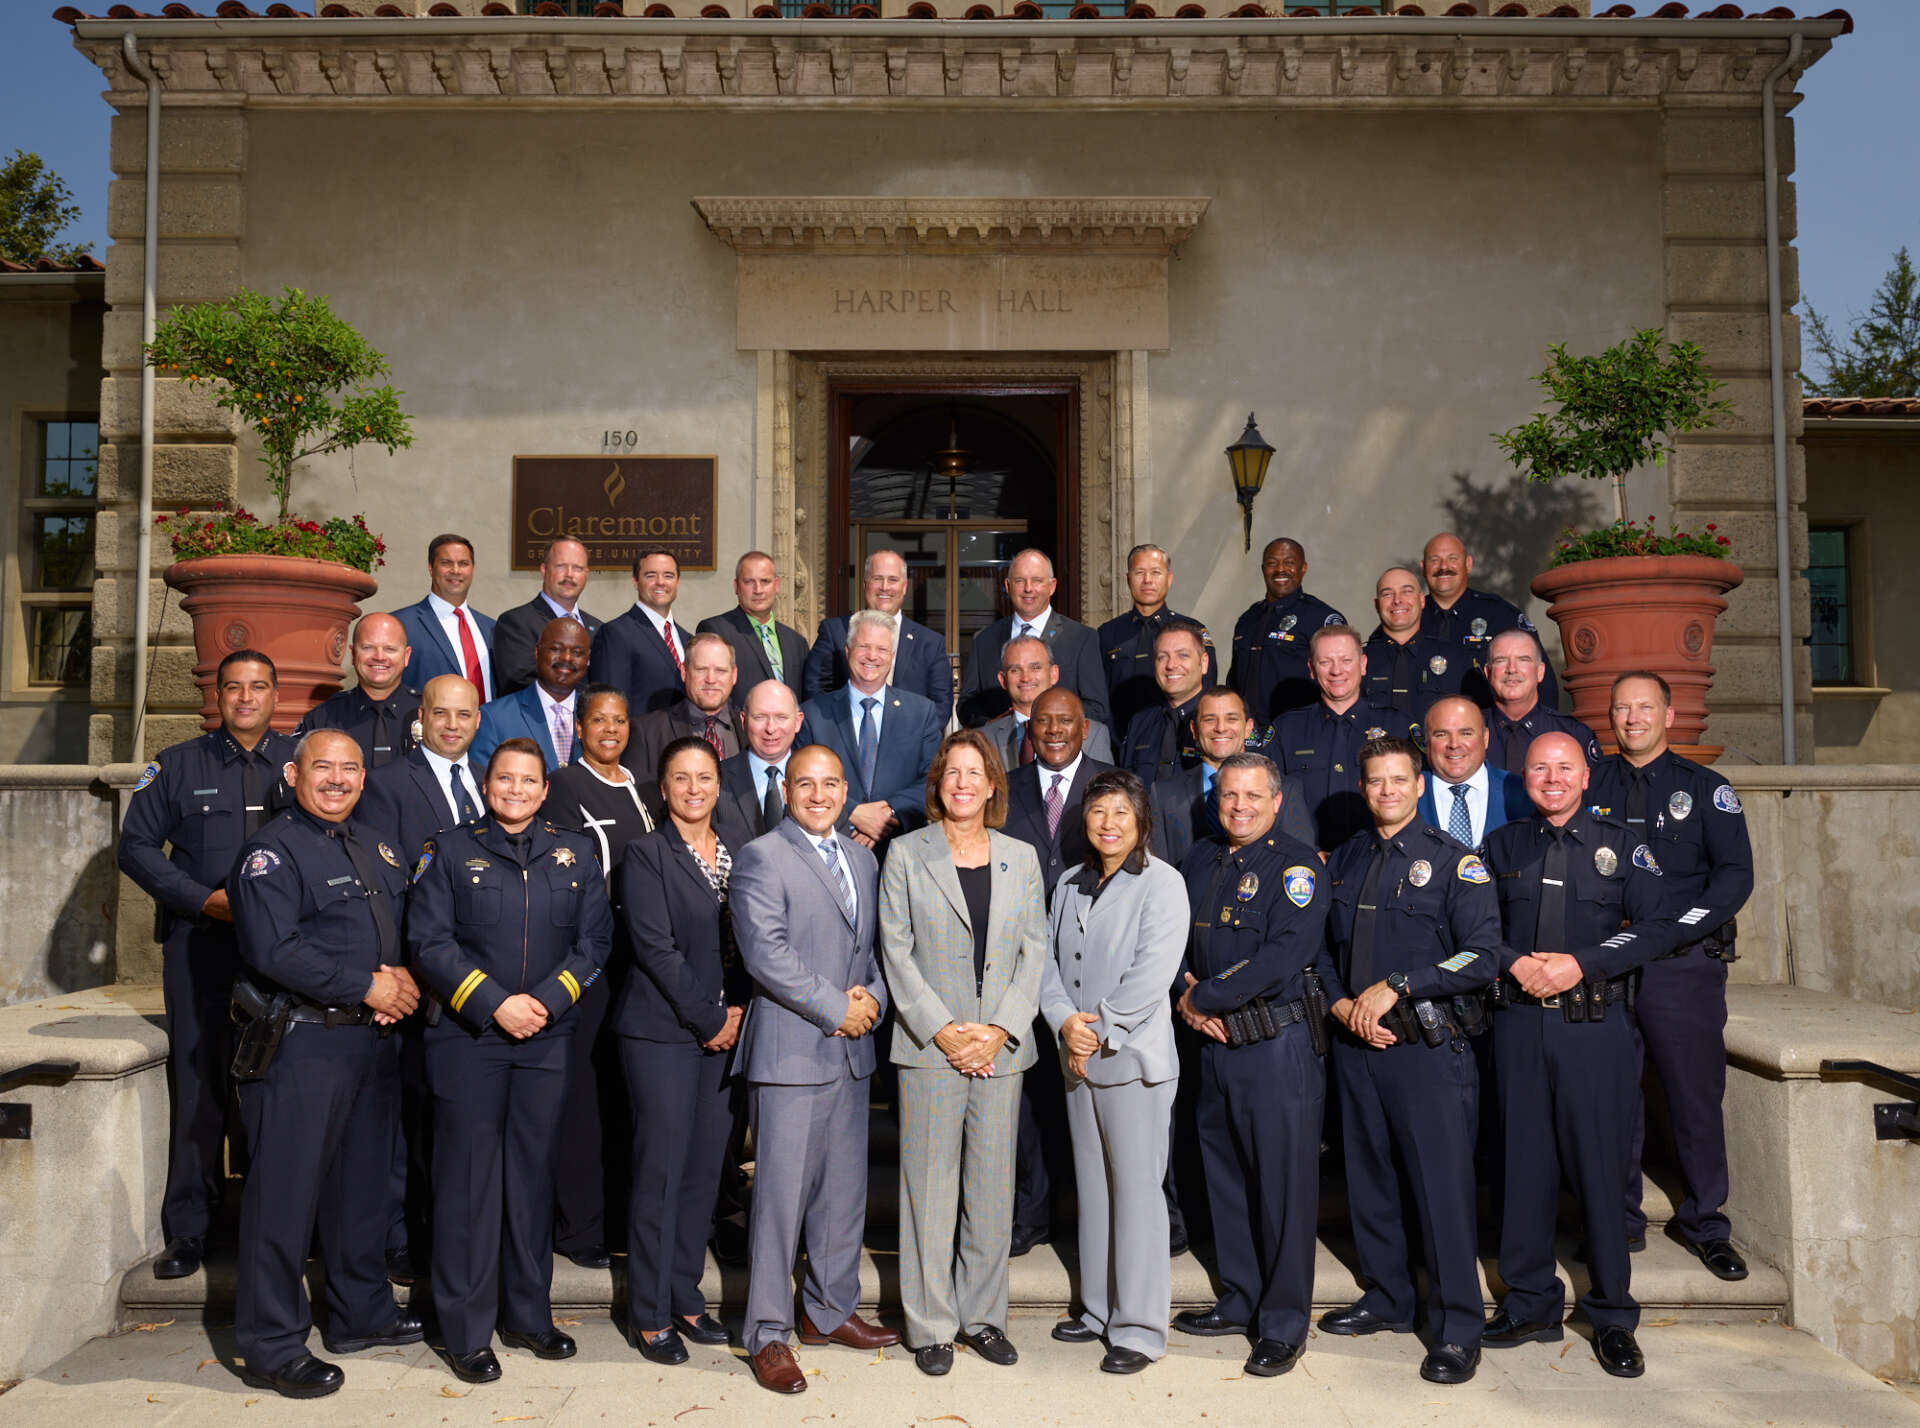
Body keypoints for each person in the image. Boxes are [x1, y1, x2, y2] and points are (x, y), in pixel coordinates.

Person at [408, 738, 614, 1384]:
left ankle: (528, 1313)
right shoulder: (448, 850)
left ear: (544, 789)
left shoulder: (576, 852)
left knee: (531, 1180)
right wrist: (495, 1004)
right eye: (505, 779)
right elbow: (429, 942)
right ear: (486, 783)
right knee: (468, 1186)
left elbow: (594, 942)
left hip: (546, 1041)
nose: (516, 790)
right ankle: (466, 1330)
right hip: (470, 1039)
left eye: (528, 781)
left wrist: (546, 1004)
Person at [1481, 732, 1687, 1379]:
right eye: (1539, 766)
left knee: (1600, 1172)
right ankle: (1532, 1303)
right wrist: (1518, 963)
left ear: (1585, 775)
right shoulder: (1501, 846)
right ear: (1525, 776)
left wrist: (1580, 965)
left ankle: (1611, 1315)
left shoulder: (1624, 848)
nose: (1551, 777)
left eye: (1563, 766)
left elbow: (1657, 928)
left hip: (1594, 1031)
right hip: (1517, 1028)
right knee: (1523, 1168)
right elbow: (1477, 930)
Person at [226, 728, 421, 1400]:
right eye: (323, 767)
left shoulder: (375, 845)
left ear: (364, 777)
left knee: (360, 1193)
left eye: (349, 768)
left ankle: (360, 1314)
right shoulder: (270, 852)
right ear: (294, 772)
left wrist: (400, 983)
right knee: (283, 1200)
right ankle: (272, 1344)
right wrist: (367, 984)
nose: (337, 779)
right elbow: (271, 948)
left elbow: (393, 931)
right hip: (301, 1046)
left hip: (370, 1043)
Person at [1320, 737, 1500, 1386]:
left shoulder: (1456, 864)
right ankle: (1388, 1298)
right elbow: (1319, 952)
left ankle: (1457, 1328)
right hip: (1356, 1047)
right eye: (1376, 781)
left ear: (1419, 786)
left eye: (1399, 779)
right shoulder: (1345, 858)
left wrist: (1402, 982)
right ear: (1364, 787)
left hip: (1426, 1053)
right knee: (1369, 1182)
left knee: (1440, 1192)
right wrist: (1340, 1004)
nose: (1387, 791)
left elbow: (1482, 956)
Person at [119, 649, 296, 1282]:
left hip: (280, 954)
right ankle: (190, 1230)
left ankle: (263, 1226)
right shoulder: (177, 765)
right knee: (198, 1088)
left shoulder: (299, 766)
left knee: (271, 1088)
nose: (246, 697)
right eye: (233, 687)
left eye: (258, 686)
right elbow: (136, 847)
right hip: (201, 946)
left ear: (276, 695)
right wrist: (201, 898)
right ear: (217, 697)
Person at [879, 729, 1049, 1377]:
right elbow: (894, 951)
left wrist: (1000, 1029)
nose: (963, 784)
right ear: (938, 783)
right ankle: (931, 1326)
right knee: (929, 1186)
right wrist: (945, 1030)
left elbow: (1035, 951)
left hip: (1001, 1049)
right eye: (953, 772)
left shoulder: (1021, 858)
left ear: (992, 785)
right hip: (930, 1047)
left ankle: (983, 1318)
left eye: (975, 773)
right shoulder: (905, 854)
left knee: (990, 1186)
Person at [730, 745, 897, 1395]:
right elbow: (764, 954)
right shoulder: (762, 856)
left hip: (852, 1054)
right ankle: (768, 1333)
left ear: (845, 789)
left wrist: (874, 1002)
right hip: (792, 1052)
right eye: (806, 783)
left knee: (841, 1196)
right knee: (779, 1202)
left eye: (830, 784)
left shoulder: (861, 857)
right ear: (787, 789)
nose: (819, 794)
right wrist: (838, 1008)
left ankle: (828, 1311)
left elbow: (874, 948)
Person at [1589, 671, 1754, 1280]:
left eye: (1644, 707)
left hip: (1679, 965)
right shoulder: (1591, 784)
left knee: (1693, 1097)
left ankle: (1706, 1223)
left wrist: (1672, 929)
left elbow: (1734, 878)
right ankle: (1619, 1221)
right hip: (1606, 967)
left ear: (1669, 712)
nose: (1632, 718)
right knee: (1613, 1100)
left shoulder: (1705, 789)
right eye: (1621, 707)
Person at [1171, 753, 1331, 1379]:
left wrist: (1200, 997)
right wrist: (1185, 994)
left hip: (1274, 1049)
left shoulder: (1296, 868)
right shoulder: (1203, 858)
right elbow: (1181, 939)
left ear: (1275, 801)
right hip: (1212, 1047)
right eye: (1228, 794)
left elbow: (1282, 956)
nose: (1238, 805)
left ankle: (1284, 1322)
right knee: (1227, 1180)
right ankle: (1239, 1298)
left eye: (1251, 796)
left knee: (1282, 1191)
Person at [1039, 768, 1188, 1375]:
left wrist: (1094, 1030)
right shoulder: (1070, 883)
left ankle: (1141, 1327)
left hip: (1131, 1061)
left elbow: (1152, 975)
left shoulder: (1163, 884)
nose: (1107, 824)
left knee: (1136, 1194)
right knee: (1094, 1191)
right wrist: (1063, 1023)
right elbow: (1045, 962)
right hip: (1077, 1058)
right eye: (1098, 813)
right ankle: (1099, 1309)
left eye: (1120, 814)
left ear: (1141, 821)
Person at [616, 737, 755, 1365]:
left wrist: (740, 1014)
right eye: (681, 778)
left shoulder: (738, 856)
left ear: (718, 786)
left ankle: (684, 1292)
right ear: (663, 788)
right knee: (661, 1169)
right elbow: (655, 947)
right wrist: (709, 1018)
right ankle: (647, 1310)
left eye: (704, 777)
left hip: (724, 1034)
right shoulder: (646, 855)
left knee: (704, 1173)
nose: (694, 788)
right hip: (662, 1033)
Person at [354, 672, 486, 1286]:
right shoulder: (385, 786)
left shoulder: (490, 783)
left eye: (464, 714)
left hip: (473, 985)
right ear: (421, 718)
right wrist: (399, 968)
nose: (452, 724)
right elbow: (380, 886)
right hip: (413, 981)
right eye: (442, 713)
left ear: (477, 720)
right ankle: (397, 1240)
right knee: (404, 1121)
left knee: (449, 1122)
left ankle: (439, 1230)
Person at [544, 685, 660, 1270]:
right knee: (585, 1095)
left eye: (619, 720)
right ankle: (579, 1223)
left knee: (623, 1094)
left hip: (638, 963)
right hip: (591, 962)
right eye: (599, 720)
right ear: (580, 728)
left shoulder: (642, 789)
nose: (610, 730)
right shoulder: (564, 787)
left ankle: (616, 1214)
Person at [1001, 685, 1113, 1257]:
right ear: (1029, 729)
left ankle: (1089, 1213)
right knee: (1028, 1096)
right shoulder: (1008, 787)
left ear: (1084, 727)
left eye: (1064, 721)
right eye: (1042, 721)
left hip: (1091, 963)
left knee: (1089, 1091)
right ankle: (1032, 1212)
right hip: (1018, 961)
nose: (1053, 730)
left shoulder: (1111, 786)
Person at [798, 611, 945, 851]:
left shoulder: (921, 712)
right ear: (847, 651)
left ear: (893, 656)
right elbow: (800, 781)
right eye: (863, 646)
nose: (872, 657)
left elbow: (933, 779)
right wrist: (853, 813)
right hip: (832, 849)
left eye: (882, 649)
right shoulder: (812, 715)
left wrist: (887, 814)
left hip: (903, 852)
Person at [1271, 626, 1420, 853]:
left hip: (1380, 860)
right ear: (1311, 668)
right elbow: (1267, 800)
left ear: (1363, 665)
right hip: (1305, 863)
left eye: (1346, 660)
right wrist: (1304, 855)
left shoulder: (1398, 726)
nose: (1336, 671)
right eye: (1325, 662)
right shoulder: (1285, 729)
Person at [1149, 686, 1315, 864]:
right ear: (1194, 730)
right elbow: (1159, 873)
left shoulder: (1286, 790)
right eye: (1209, 720)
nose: (1220, 728)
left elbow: (1301, 864)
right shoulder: (1163, 794)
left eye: (1231, 719)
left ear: (1248, 728)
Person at [958, 549, 1110, 728]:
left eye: (1037, 580)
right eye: (1020, 581)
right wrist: (993, 726)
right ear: (1007, 586)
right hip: (1000, 750)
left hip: (1062, 748)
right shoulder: (984, 639)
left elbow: (1098, 708)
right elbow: (967, 705)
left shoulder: (1082, 638)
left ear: (1052, 586)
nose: (1028, 588)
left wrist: (1050, 722)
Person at [804, 548, 954, 724]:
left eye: (893, 580)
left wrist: (913, 742)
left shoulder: (931, 643)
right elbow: (814, 691)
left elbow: (941, 706)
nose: (884, 587)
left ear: (904, 587)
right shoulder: (834, 631)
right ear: (866, 584)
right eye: (877, 578)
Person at [1419, 532, 1559, 707]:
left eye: (1452, 558)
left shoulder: (1499, 615)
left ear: (1468, 564)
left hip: (1488, 731)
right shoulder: (1410, 620)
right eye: (1435, 560)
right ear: (1423, 567)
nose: (1444, 566)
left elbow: (1542, 683)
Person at [1097, 543, 1216, 743]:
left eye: (1155, 573)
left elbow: (1207, 690)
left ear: (1169, 579)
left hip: (1178, 741)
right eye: (1139, 573)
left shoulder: (1192, 630)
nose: (1147, 580)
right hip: (1118, 744)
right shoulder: (1107, 633)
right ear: (1127, 579)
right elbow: (1099, 697)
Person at [1226, 537, 1346, 725]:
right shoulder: (1248, 619)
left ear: (1303, 568)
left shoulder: (1320, 618)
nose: (1280, 569)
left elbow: (1341, 680)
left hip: (1297, 730)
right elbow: (1234, 680)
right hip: (1248, 732)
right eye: (1272, 563)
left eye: (1289, 563)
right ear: (1263, 569)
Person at [296, 612, 419, 768]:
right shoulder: (323, 718)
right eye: (368, 648)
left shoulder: (428, 714)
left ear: (406, 656)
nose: (379, 657)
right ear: (353, 654)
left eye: (390, 649)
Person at [470, 618, 592, 774]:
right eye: (556, 649)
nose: (566, 658)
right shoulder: (494, 718)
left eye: (577, 652)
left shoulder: (599, 717)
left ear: (587, 660)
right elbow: (483, 784)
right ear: (537, 652)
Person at [1415, 695, 1533, 852]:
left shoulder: (1523, 792)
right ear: (1426, 742)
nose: (1454, 744)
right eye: (1441, 734)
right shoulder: (1404, 794)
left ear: (1485, 738)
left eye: (1465, 733)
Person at [981, 634, 1114, 771]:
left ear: (1053, 674)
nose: (1026, 678)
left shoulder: (1093, 733)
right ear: (1003, 680)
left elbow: (1106, 789)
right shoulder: (983, 738)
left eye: (1035, 667)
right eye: (1015, 670)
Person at [589, 548, 695, 716]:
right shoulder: (615, 634)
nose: (661, 582)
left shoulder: (688, 639)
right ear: (635, 581)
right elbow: (609, 707)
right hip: (640, 740)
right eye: (650, 575)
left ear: (677, 581)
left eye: (668, 575)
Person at [698, 550, 809, 710]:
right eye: (749, 582)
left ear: (776, 586)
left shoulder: (796, 642)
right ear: (736, 586)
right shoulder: (715, 630)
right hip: (736, 732)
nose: (758, 590)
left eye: (765, 581)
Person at [491, 537, 602, 697]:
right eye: (561, 566)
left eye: (577, 568)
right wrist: (590, 700)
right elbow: (520, 681)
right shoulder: (515, 623)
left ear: (586, 574)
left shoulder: (598, 629)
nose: (569, 575)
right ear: (544, 569)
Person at [1483, 629, 1602, 776]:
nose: (1512, 669)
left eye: (1523, 660)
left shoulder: (1573, 734)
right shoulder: (1467, 733)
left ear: (1540, 672)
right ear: (1488, 673)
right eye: (1501, 660)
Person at [392, 533, 495, 700]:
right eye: (446, 563)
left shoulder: (492, 628)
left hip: (488, 725)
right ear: (431, 568)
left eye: (463, 563)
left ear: (472, 569)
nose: (455, 570)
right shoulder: (401, 625)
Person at [629, 631, 742, 779]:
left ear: (734, 676)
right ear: (684, 673)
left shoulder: (751, 727)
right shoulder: (647, 731)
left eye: (720, 671)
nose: (711, 679)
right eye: (701, 669)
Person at [1361, 566, 1465, 719]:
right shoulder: (1357, 662)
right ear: (1377, 604)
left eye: (1407, 591)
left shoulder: (1457, 658)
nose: (1397, 601)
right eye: (1387, 594)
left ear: (1422, 600)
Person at [1117, 619, 1211, 783]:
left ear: (1203, 663)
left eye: (1183, 655)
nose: (1171, 665)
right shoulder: (1139, 723)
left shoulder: (1221, 721)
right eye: (1162, 657)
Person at [719, 679, 805, 837]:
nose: (771, 728)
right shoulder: (717, 779)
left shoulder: (820, 779)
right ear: (743, 721)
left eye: (781, 717)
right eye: (760, 717)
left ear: (798, 722)